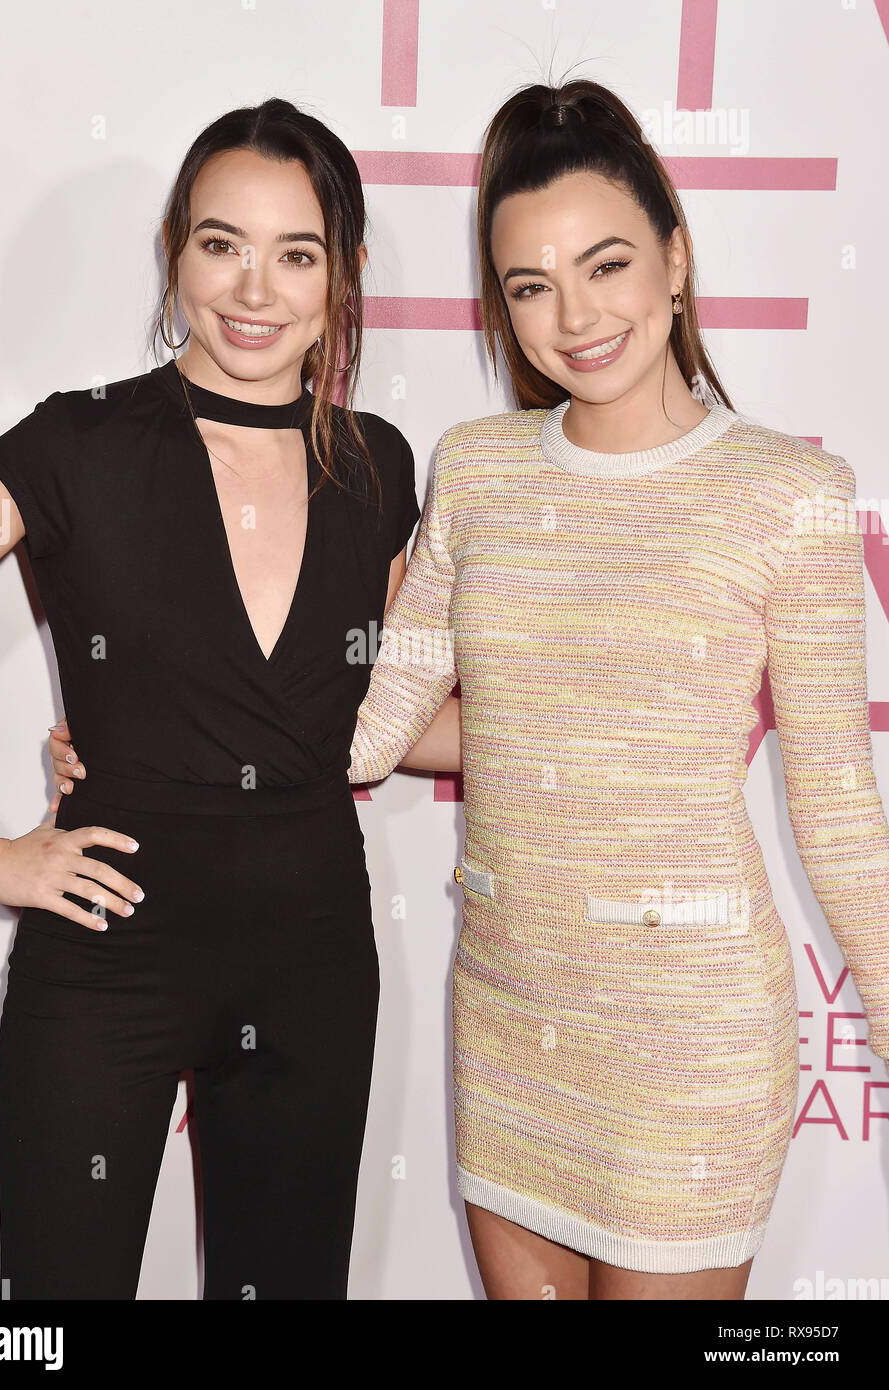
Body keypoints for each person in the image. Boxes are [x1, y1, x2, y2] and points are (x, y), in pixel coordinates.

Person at [344, 78, 889, 1300]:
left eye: (604, 266)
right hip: (510, 1016)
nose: (572, 317)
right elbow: (370, 729)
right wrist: (135, 730)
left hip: (686, 1037)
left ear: (674, 258)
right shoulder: (475, 472)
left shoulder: (786, 497)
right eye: (530, 287)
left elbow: (837, 810)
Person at [0, 98, 457, 1300]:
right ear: (175, 252)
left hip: (313, 968)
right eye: (221, 243)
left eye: (296, 252)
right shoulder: (74, 444)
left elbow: (389, 720)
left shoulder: (377, 464)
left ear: (341, 277)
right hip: (105, 968)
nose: (253, 287)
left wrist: (621, 718)